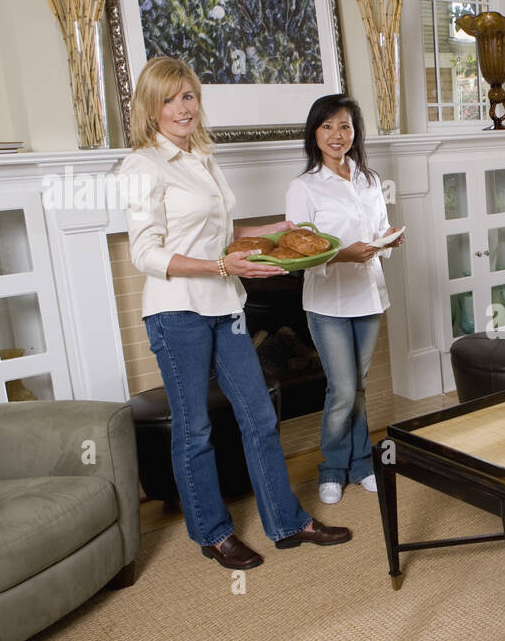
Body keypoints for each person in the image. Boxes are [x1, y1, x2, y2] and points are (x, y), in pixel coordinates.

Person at [123, 57, 349, 570]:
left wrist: (271, 231)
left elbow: (217, 237)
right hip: (177, 312)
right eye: (170, 99)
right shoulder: (143, 166)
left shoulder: (202, 156)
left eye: (189, 96)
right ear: (150, 109)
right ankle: (213, 532)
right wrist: (221, 264)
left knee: (260, 416)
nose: (184, 107)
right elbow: (147, 254)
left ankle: (287, 522)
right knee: (195, 428)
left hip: (227, 306)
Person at [286, 94, 405, 505]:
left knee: (359, 388)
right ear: (314, 133)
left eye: (345, 126)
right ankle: (333, 467)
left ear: (355, 133)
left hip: (369, 296)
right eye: (328, 126)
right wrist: (344, 254)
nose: (337, 135)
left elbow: (378, 230)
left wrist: (388, 240)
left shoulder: (370, 180)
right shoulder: (303, 187)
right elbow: (301, 250)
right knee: (342, 389)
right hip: (329, 303)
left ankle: (362, 464)